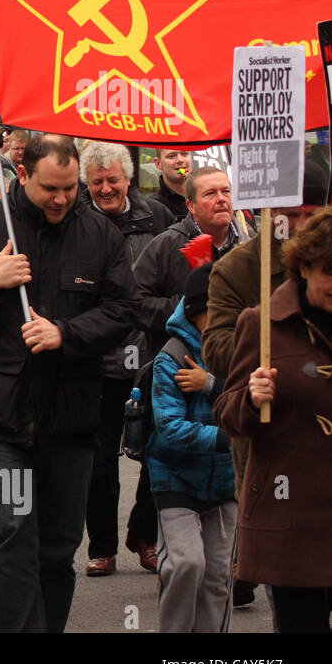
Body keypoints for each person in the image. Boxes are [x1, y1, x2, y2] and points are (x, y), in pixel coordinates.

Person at [0, 134, 139, 632]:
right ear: (23, 175)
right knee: (9, 536)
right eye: (50, 189)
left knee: (58, 547)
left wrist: (66, 332)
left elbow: (125, 309)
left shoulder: (101, 235)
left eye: (70, 188)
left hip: (71, 417)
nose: (62, 199)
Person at [199, 155, 328, 607]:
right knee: (294, 596)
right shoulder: (238, 269)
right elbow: (215, 351)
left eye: (309, 216)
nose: (297, 227)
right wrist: (275, 344)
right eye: (288, 215)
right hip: (274, 446)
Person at [130, 164, 241, 571]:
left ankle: (233, 569)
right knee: (168, 457)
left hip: (230, 362)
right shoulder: (167, 245)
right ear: (191, 204)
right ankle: (149, 534)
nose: (221, 200)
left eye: (226, 191)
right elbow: (134, 300)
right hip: (178, 363)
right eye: (210, 194)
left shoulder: (247, 248)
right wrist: (187, 311)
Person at [76, 141, 174, 577]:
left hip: (151, 359)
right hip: (96, 360)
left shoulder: (157, 218)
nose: (105, 188)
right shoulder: (76, 221)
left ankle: (144, 533)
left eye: (113, 179)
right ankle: (102, 546)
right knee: (99, 461)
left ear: (129, 179)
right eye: (96, 182)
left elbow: (174, 284)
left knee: (158, 453)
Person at [146, 261, 235, 633]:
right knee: (186, 565)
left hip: (225, 481)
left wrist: (210, 383)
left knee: (216, 575)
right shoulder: (172, 355)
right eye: (211, 312)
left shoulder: (238, 347)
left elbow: (247, 401)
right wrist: (227, 439)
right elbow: (171, 430)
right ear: (196, 312)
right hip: (176, 477)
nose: (218, 320)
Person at [148, 147, 191, 222]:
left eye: (184, 154)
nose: (180, 160)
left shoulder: (203, 198)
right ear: (158, 163)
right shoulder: (152, 208)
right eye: (171, 156)